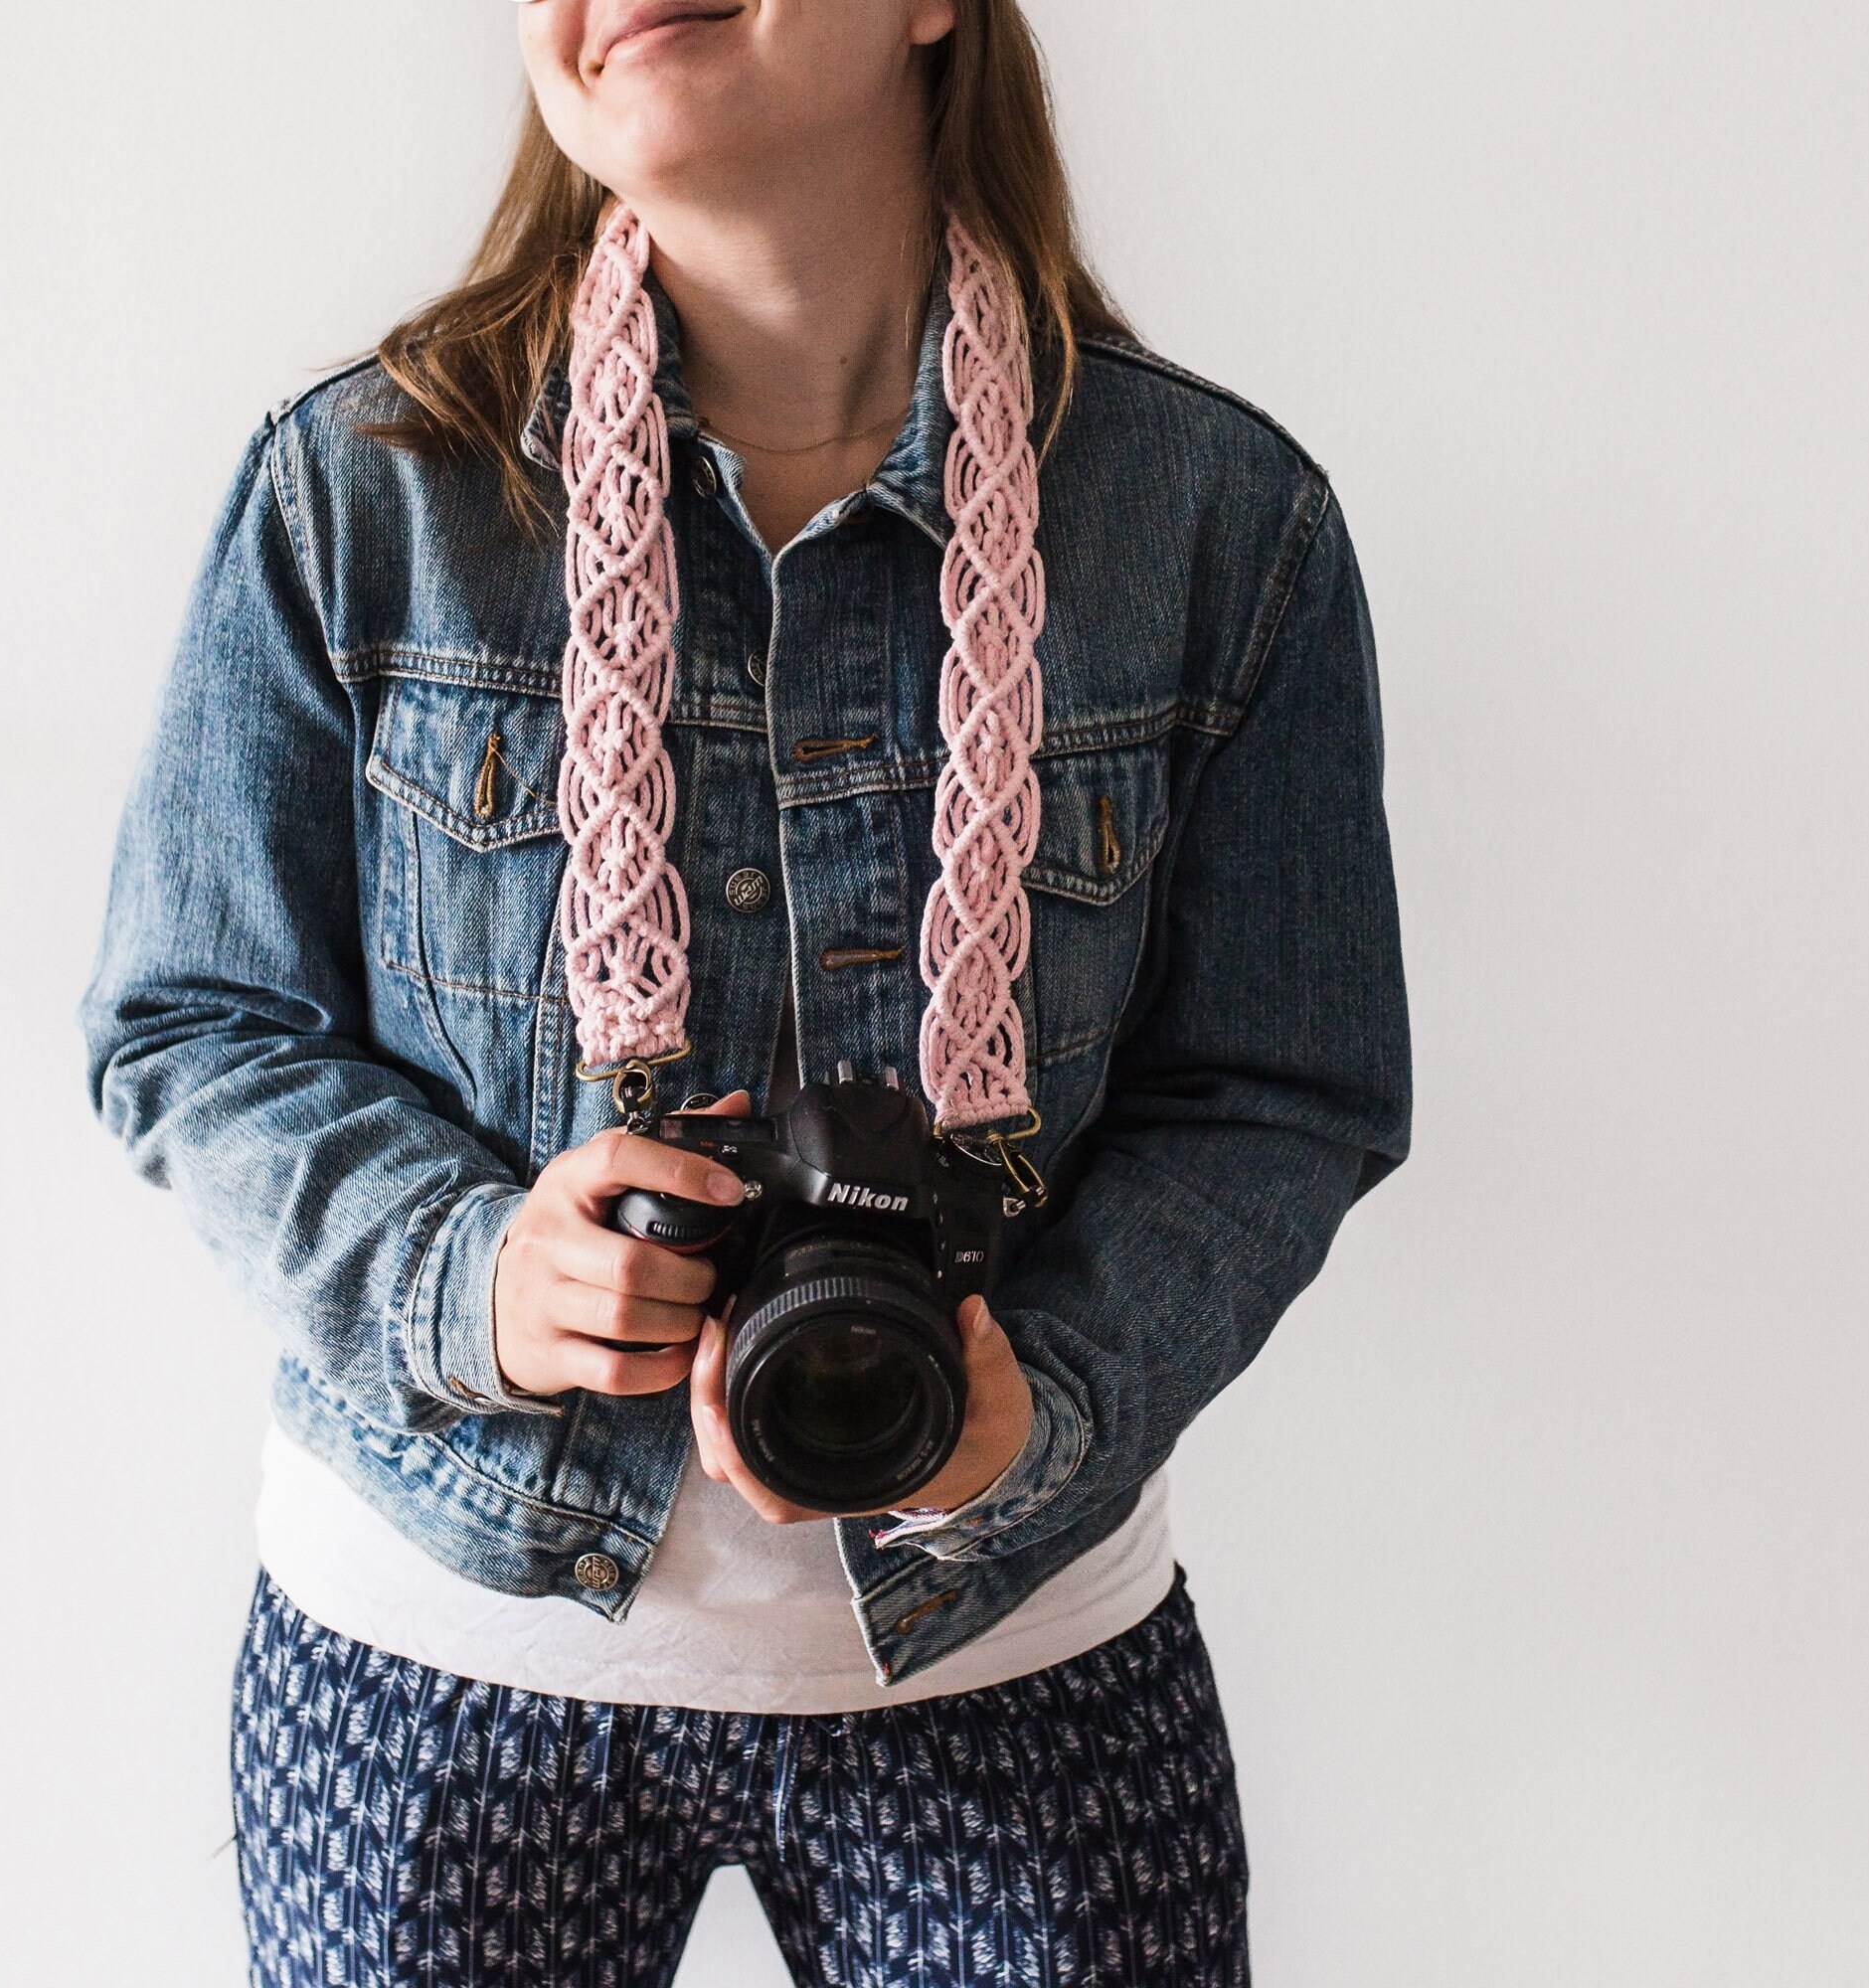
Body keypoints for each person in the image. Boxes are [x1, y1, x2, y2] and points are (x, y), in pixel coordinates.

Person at [78, 0, 1411, 1981]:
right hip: (445, 1648)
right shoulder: (362, 493)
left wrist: (1031, 1411)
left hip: (1010, 1651)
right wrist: (475, 1272)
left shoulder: (1219, 523)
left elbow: (1277, 1090)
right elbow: (191, 1023)